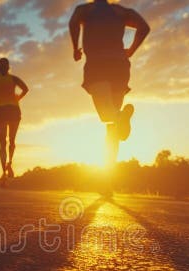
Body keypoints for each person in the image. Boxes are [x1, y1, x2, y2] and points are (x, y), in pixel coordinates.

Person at [69, 0, 150, 168]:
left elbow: (73, 22)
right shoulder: (119, 11)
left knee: (107, 116)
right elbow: (144, 27)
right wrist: (131, 50)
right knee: (113, 127)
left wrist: (75, 48)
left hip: (98, 64)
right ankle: (109, 175)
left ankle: (120, 118)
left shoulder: (85, 9)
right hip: (119, 65)